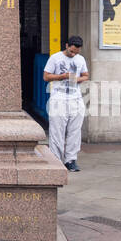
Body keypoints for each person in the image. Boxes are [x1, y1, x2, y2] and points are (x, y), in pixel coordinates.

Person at [43, 35, 89, 171]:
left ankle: (71, 160)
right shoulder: (55, 58)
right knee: (57, 131)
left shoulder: (80, 59)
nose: (73, 54)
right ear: (67, 46)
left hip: (76, 98)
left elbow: (86, 75)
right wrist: (62, 76)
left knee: (75, 131)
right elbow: (46, 76)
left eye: (76, 52)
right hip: (59, 98)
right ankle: (55, 159)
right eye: (72, 51)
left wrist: (78, 79)